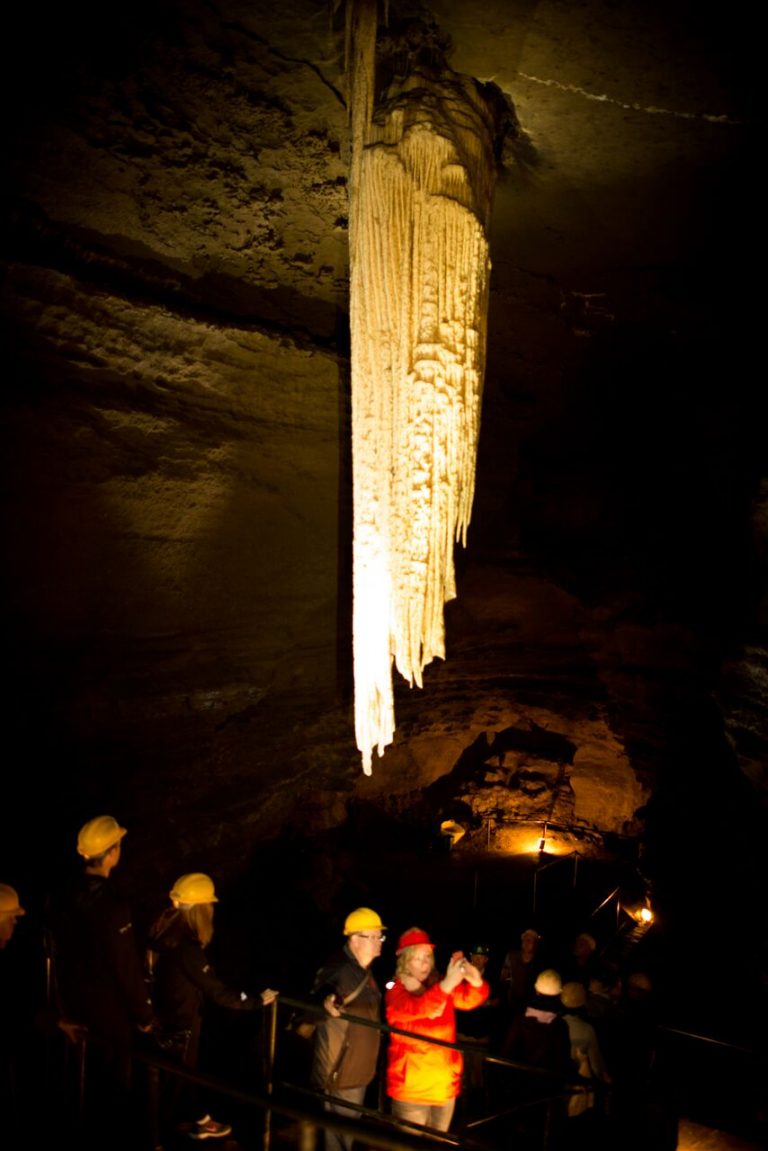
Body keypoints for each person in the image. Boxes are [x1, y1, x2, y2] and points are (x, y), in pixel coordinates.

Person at [46, 815, 155, 1148]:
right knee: (111, 1093)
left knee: (78, 1089)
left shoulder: (60, 898)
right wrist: (144, 1014)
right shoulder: (112, 906)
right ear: (111, 852)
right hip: (109, 1016)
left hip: (71, 1009)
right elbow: (125, 966)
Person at [147, 871, 278, 1142]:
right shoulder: (186, 947)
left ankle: (198, 1118)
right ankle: (160, 1139)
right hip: (181, 1024)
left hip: (163, 1018)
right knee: (175, 1082)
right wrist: (254, 1001)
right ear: (201, 909)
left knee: (179, 1076)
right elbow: (215, 990)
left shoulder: (161, 931)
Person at [385, 927, 489, 1135]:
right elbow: (419, 1007)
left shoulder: (438, 983)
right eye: (417, 958)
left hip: (443, 1087)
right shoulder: (396, 990)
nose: (424, 963)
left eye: (427, 956)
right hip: (412, 1090)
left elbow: (468, 999)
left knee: (438, 1144)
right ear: (404, 961)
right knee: (408, 1146)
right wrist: (448, 983)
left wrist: (475, 980)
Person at [306, 907, 386, 1151]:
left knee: (344, 1136)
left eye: (380, 936)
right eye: (373, 936)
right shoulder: (340, 969)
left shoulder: (364, 971)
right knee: (339, 1138)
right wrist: (325, 1002)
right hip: (341, 1072)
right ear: (354, 939)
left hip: (355, 1069)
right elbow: (319, 995)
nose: (379, 941)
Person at [560, 981, 611, 1138]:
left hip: (557, 1078)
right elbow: (596, 1063)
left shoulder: (554, 1023)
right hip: (576, 1082)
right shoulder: (587, 1030)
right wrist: (605, 1079)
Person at [500, 927, 543, 1020]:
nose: (526, 943)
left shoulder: (540, 962)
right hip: (512, 1002)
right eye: (524, 940)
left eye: (529, 941)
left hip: (532, 1004)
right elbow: (503, 976)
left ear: (536, 944)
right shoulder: (512, 956)